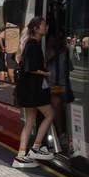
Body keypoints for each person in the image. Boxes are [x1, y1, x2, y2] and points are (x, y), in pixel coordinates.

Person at [13, 16, 56, 168]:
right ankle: (35, 149)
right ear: (36, 29)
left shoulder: (30, 43)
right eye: (44, 26)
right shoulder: (33, 44)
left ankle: (20, 156)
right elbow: (29, 68)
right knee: (50, 114)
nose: (46, 28)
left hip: (28, 89)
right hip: (33, 90)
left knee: (30, 121)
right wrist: (46, 73)